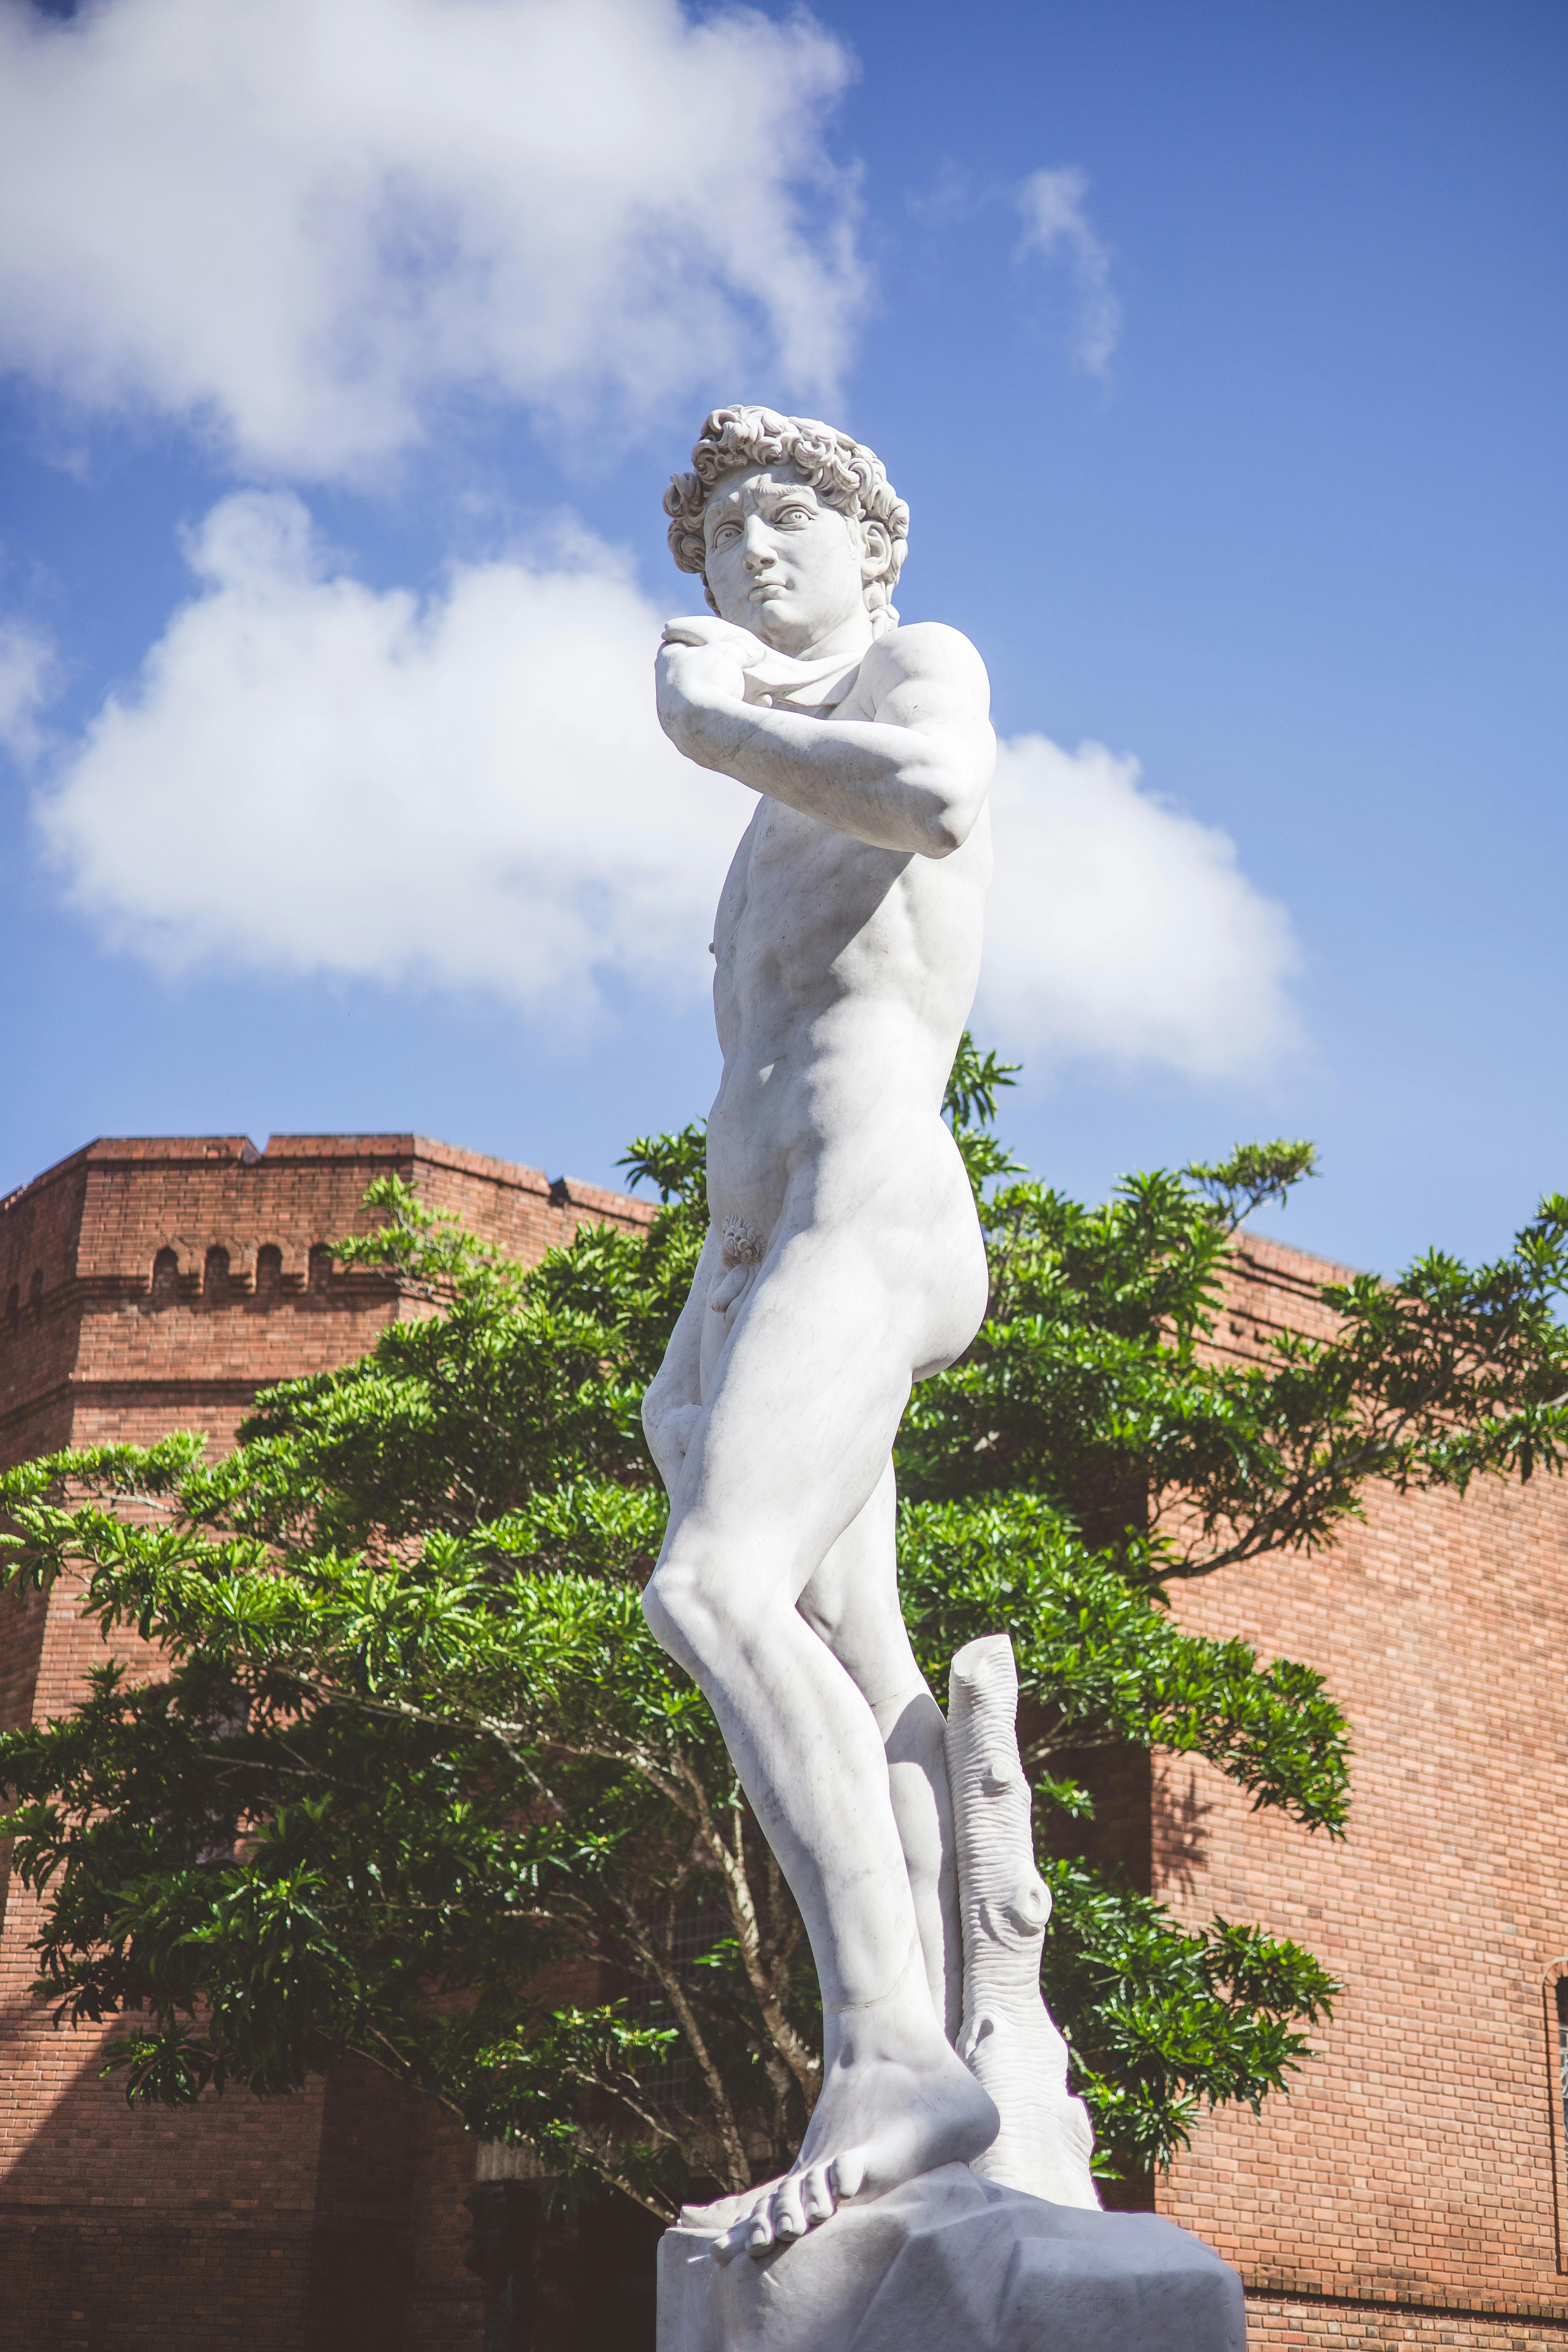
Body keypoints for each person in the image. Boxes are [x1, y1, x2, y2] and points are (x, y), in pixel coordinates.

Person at [641, 406, 999, 2262]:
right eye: (721, 537)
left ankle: (890, 2053)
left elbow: (933, 802)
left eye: (790, 518)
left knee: (709, 1592)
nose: (753, 555)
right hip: (753, 1245)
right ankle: (969, 2016)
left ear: (872, 545)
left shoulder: (914, 667)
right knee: (852, 1655)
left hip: (872, 1198)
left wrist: (714, 728)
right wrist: (695, 1325)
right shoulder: (765, 808)